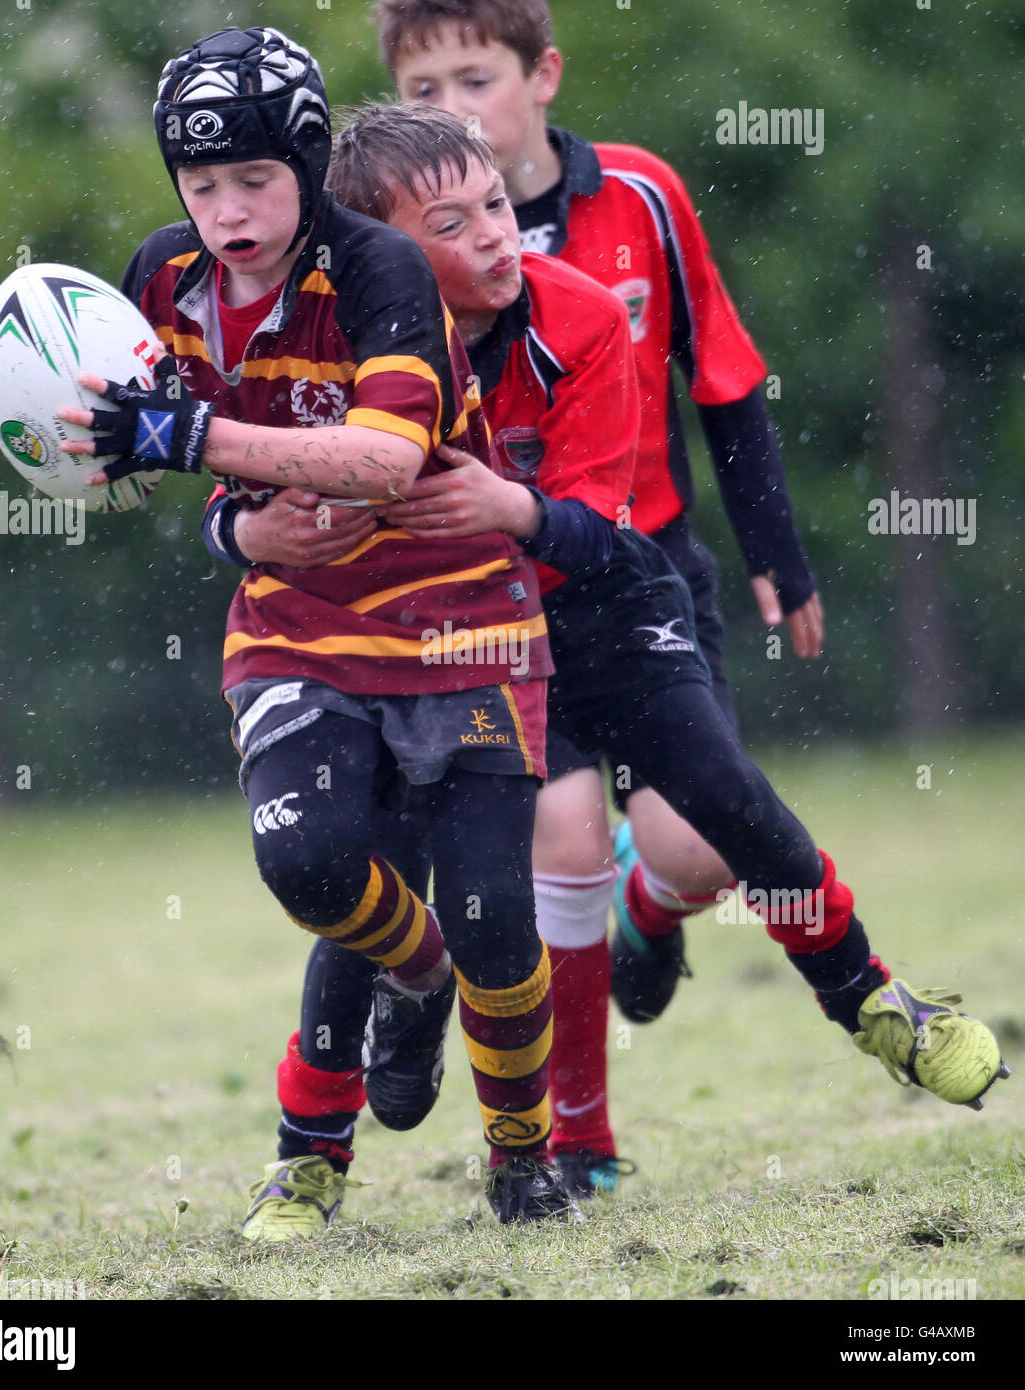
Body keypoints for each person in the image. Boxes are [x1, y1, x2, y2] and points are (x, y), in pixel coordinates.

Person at [204, 104, 1008, 1232]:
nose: (497, 235)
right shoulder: (335, 337)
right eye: (456, 221)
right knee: (374, 870)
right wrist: (243, 531)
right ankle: (316, 1152)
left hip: (601, 607)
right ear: (380, 250)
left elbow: (603, 523)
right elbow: (234, 486)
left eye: (496, 204)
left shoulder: (576, 314)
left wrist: (511, 507)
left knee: (725, 795)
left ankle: (875, 1000)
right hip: (448, 640)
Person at [57, 25, 584, 1229]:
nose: (227, 211)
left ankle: (520, 1158)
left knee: (498, 912)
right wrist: (234, 534)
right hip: (298, 627)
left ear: (303, 162)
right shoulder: (161, 280)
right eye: (201, 186)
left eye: (253, 180)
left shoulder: (382, 270)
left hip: (464, 623)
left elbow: (383, 462)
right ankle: (401, 1004)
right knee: (311, 864)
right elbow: (137, 479)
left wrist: (197, 442)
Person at [366, 0, 829, 1187]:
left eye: (476, 79)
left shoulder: (642, 200)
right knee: (558, 840)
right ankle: (580, 1142)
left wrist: (780, 550)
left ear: (544, 75)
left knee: (699, 854)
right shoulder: (395, 247)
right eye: (422, 93)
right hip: (497, 596)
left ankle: (648, 902)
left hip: (643, 573)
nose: (453, 111)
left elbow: (722, 376)